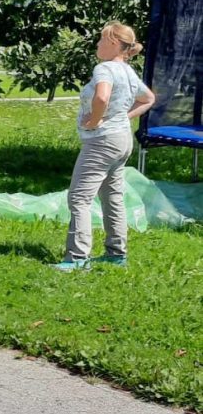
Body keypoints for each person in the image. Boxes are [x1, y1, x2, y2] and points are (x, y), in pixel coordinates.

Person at [54, 22, 156, 271]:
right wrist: (122, 117)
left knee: (79, 197)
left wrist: (95, 120)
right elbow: (148, 98)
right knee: (112, 197)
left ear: (112, 42)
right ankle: (116, 254)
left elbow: (102, 97)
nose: (97, 44)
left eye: (101, 40)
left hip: (102, 141)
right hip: (122, 139)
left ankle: (77, 258)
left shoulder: (105, 68)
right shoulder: (128, 71)